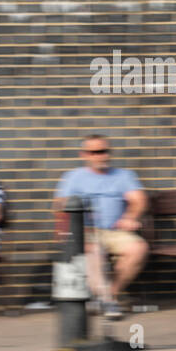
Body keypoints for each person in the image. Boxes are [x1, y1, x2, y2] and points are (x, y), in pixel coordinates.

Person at [53, 135, 148, 319]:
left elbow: (138, 200)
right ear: (84, 155)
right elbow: (59, 205)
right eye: (94, 152)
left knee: (139, 248)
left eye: (104, 151)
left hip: (115, 230)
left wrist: (130, 217)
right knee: (93, 250)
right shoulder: (73, 177)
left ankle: (109, 297)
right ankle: (108, 301)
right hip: (86, 231)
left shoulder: (124, 176)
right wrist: (69, 224)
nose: (100, 156)